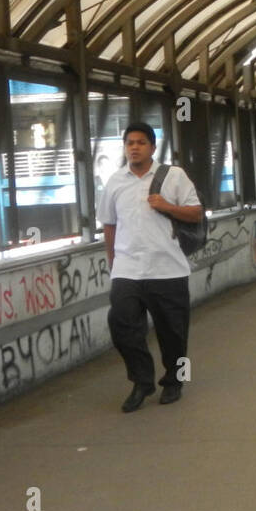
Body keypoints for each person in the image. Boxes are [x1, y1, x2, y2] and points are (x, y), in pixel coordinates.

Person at [99, 122, 204, 412]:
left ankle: (174, 381)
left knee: (173, 333)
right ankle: (142, 380)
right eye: (129, 142)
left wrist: (167, 206)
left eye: (141, 142)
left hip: (167, 268)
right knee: (121, 324)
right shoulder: (115, 181)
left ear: (153, 148)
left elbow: (196, 213)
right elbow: (109, 225)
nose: (134, 147)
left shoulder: (174, 176)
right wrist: (113, 263)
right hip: (127, 269)